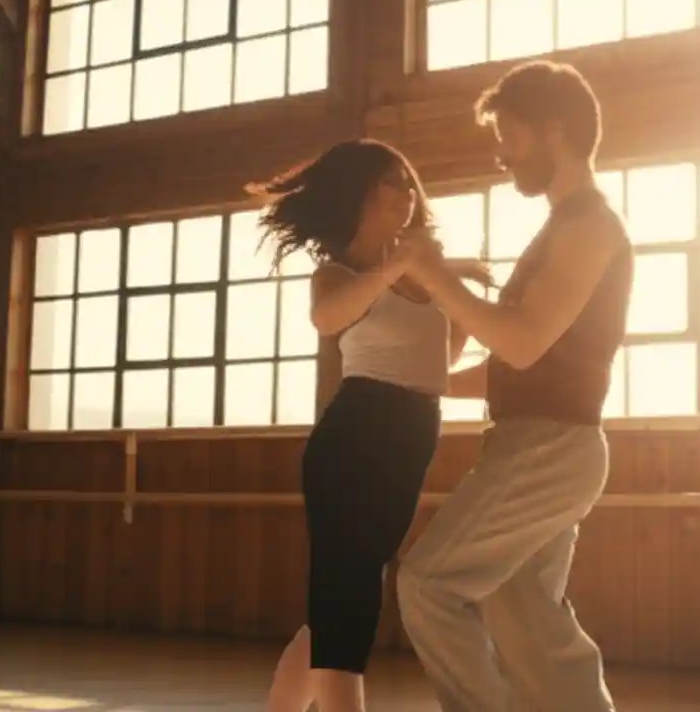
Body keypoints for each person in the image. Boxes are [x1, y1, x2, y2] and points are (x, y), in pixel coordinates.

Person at [395, 61, 631, 712]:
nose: (501, 154)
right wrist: (417, 379)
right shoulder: (560, 230)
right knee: (526, 616)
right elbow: (519, 363)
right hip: (539, 444)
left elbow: (522, 339)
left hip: (551, 448)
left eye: (509, 135)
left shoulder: (591, 227)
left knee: (428, 583)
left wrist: (435, 274)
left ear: (552, 130)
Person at [251, 139, 490, 712]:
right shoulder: (337, 275)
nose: (407, 192)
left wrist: (451, 287)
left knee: (339, 606)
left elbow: (439, 365)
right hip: (355, 442)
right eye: (392, 181)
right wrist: (406, 264)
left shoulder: (421, 278)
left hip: (410, 442)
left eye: (410, 183)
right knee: (351, 600)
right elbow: (327, 319)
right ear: (360, 192)